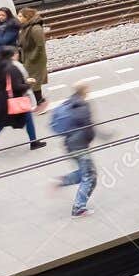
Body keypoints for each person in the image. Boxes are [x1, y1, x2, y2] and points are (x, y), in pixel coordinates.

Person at [50, 82, 98, 217]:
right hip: (80, 146)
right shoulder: (83, 106)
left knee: (86, 173)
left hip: (69, 144)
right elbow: (89, 127)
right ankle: (79, 208)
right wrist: (92, 138)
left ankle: (62, 181)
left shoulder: (68, 103)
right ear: (85, 90)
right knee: (90, 177)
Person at [0, 46, 44, 152]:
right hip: (14, 101)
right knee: (28, 119)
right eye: (16, 54)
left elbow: (0, 85)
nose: (18, 55)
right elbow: (16, 86)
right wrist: (28, 84)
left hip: (2, 101)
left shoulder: (0, 66)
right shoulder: (13, 68)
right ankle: (34, 142)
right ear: (12, 55)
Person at [16, 6, 49, 112]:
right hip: (28, 58)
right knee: (31, 81)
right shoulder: (25, 27)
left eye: (20, 16)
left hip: (36, 60)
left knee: (33, 81)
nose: (18, 18)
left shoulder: (35, 28)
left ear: (27, 17)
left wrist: (32, 57)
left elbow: (40, 45)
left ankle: (41, 102)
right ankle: (39, 101)